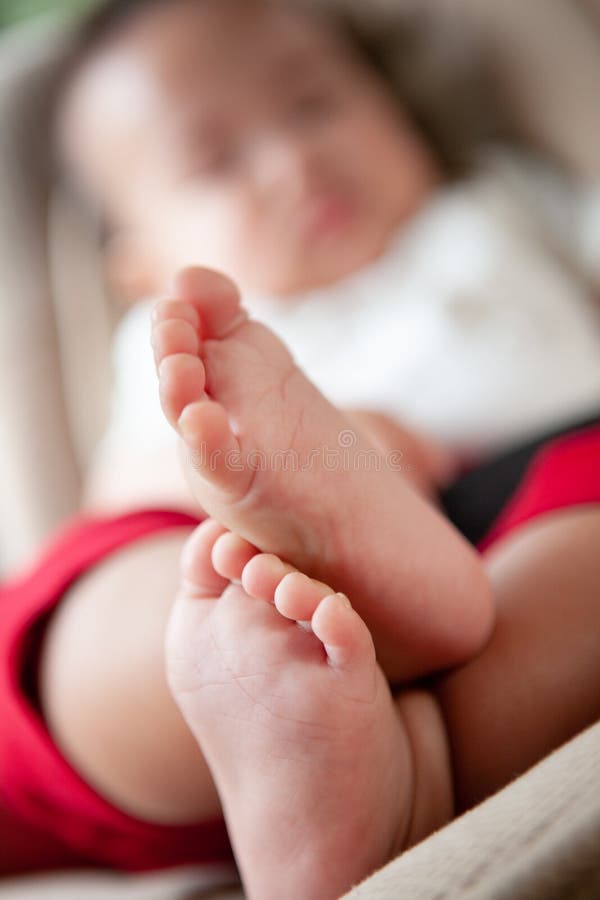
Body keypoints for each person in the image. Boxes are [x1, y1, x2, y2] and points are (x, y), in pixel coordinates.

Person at [1, 0, 599, 896]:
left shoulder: (500, 206)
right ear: (140, 263)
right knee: (110, 600)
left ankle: (428, 767)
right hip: (258, 575)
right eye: (216, 161)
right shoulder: (176, 342)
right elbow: (132, 496)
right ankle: (322, 543)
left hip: (535, 490)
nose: (295, 158)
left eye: (314, 103)